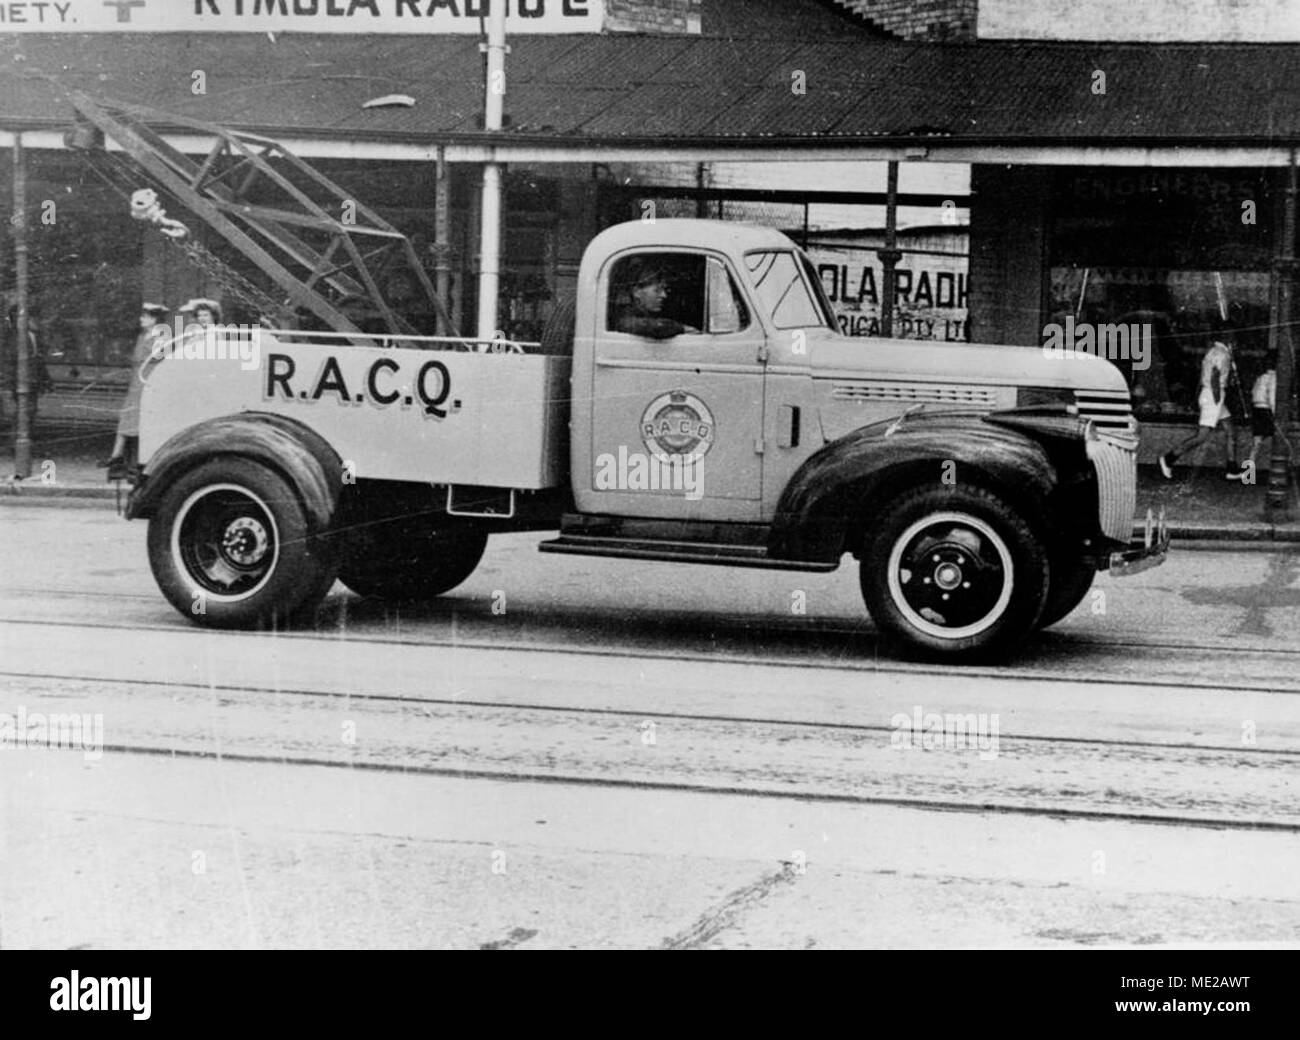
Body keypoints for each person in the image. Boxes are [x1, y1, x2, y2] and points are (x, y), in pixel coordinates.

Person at [1158, 330, 1241, 480]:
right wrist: (1216, 399)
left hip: (1212, 394)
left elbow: (1206, 374)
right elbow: (1215, 376)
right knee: (1201, 436)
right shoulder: (1221, 354)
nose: (1235, 339)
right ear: (1227, 336)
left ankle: (1232, 468)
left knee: (1231, 431)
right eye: (1233, 336)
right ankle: (1168, 459)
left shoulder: (1213, 352)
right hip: (1214, 395)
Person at [100, 303, 170, 479]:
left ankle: (127, 460)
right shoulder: (143, 336)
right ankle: (118, 458)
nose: (141, 319)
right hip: (137, 383)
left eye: (145, 317)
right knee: (129, 419)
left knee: (140, 422)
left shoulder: (161, 336)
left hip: (149, 382)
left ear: (154, 319)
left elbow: (161, 358)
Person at [615, 261, 698, 340]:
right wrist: (681, 328)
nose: (664, 295)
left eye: (664, 290)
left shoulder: (646, 313)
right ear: (637, 292)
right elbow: (653, 327)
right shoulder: (626, 315)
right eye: (657, 290)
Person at [1245, 358, 1277, 475]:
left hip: (1256, 410)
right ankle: (1276, 471)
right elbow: (1272, 397)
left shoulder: (1260, 378)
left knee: (1256, 444)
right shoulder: (1273, 379)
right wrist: (1275, 415)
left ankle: (1248, 475)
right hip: (1266, 410)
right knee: (1277, 441)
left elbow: (1253, 393)